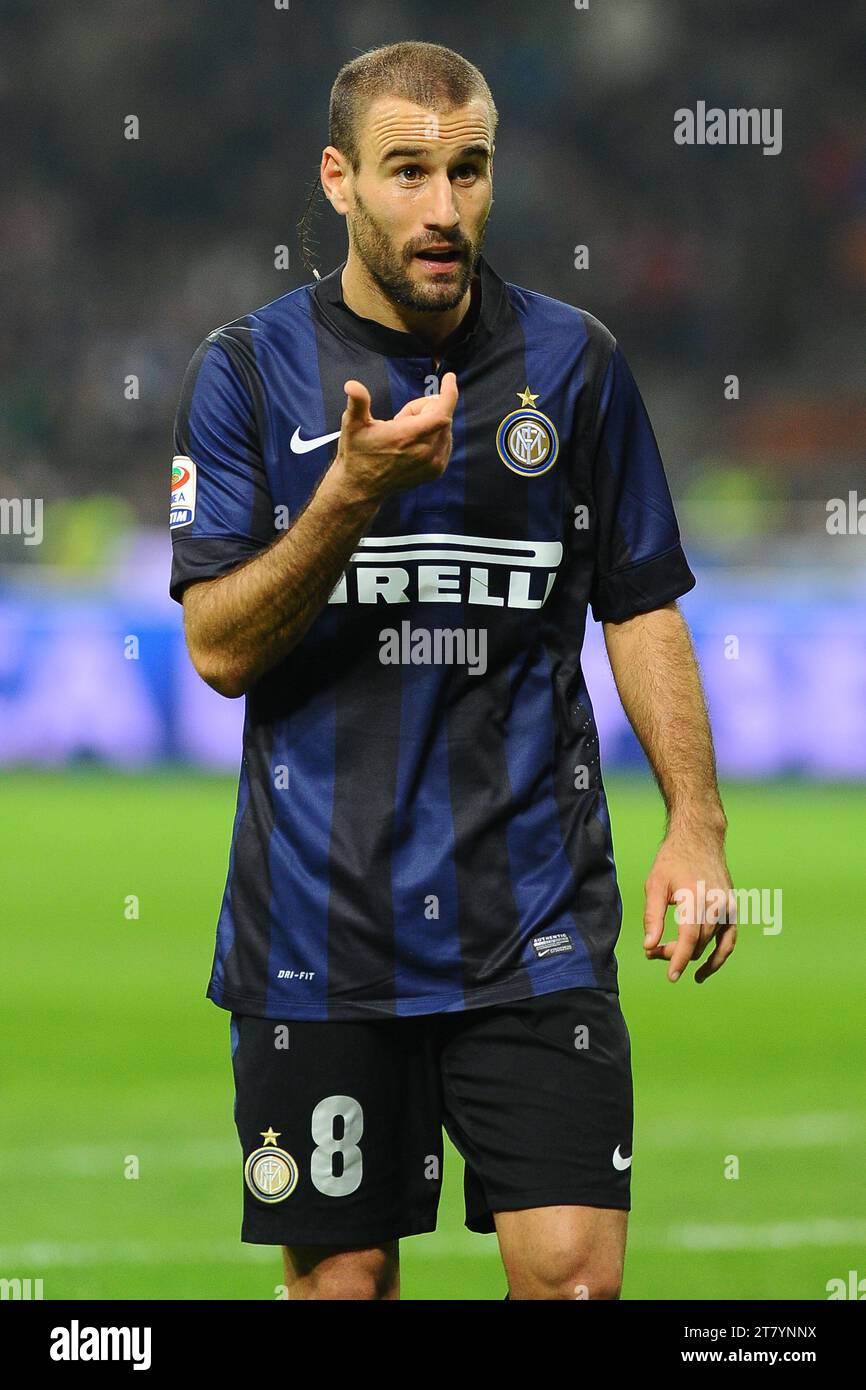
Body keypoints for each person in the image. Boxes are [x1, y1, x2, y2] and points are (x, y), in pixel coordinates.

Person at [168, 40, 735, 1300]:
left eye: (468, 171)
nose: (442, 208)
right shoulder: (248, 372)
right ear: (338, 180)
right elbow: (217, 647)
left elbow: (639, 605)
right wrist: (344, 504)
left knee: (573, 1281)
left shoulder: (574, 366)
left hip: (534, 923)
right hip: (317, 931)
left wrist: (693, 824)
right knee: (343, 1285)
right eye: (407, 171)